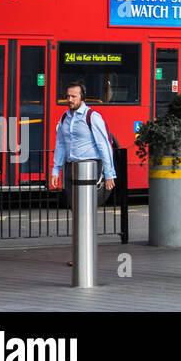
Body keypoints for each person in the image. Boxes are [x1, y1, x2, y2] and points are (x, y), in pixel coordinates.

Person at [50, 81, 117, 266]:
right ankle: (81, 254)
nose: (69, 100)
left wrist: (110, 174)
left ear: (82, 98)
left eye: (74, 96)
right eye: (68, 96)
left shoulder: (92, 117)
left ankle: (85, 256)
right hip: (71, 169)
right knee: (76, 212)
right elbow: (60, 145)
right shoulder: (65, 118)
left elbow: (104, 146)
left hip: (88, 169)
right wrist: (55, 169)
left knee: (84, 212)